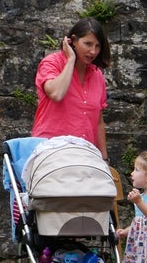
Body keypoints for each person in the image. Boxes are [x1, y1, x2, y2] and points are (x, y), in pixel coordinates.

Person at [32, 18, 111, 161]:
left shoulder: (97, 75)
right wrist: (70, 60)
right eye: (88, 44)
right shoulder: (52, 63)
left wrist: (104, 159)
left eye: (98, 46)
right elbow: (56, 93)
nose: (93, 51)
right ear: (73, 40)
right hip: (51, 153)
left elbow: (98, 120)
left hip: (86, 156)